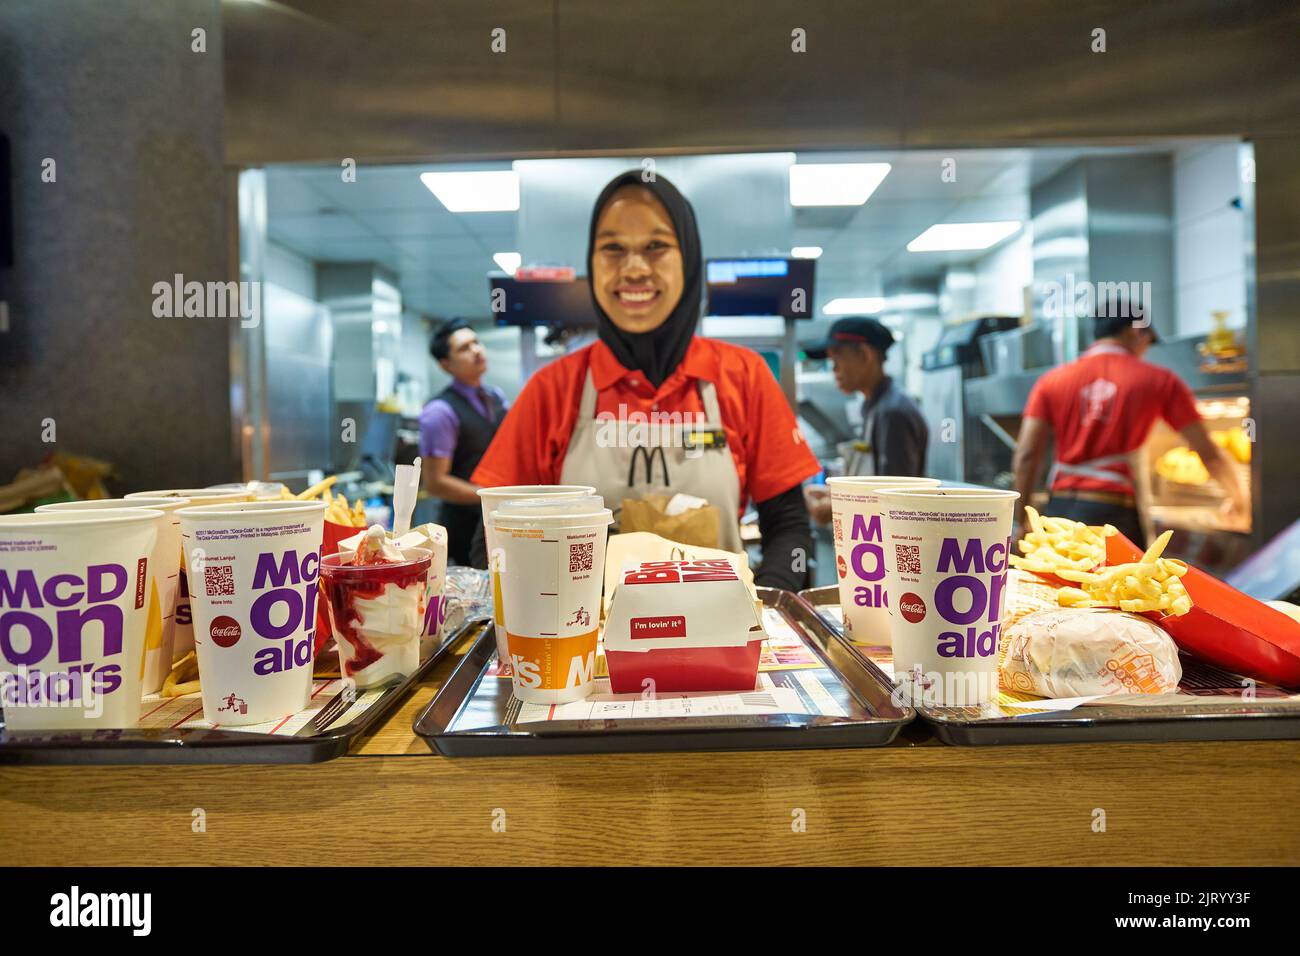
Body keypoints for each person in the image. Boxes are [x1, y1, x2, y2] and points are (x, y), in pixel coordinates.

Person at [470, 171, 819, 590]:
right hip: (585, 648)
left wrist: (762, 610)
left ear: (687, 258)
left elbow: (790, 527)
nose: (634, 269)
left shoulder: (744, 376)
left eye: (656, 247)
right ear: (592, 263)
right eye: (613, 248)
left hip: (717, 642)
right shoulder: (552, 389)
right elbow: (492, 539)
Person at [1012, 303, 1246, 543]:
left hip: (1059, 510)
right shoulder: (1159, 380)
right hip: (1114, 513)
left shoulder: (1051, 381)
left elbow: (1026, 456)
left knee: (1059, 579)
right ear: (1136, 331)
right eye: (1149, 340)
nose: (1146, 349)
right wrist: (1240, 501)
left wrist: (1021, 520)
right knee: (1120, 581)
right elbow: (1209, 453)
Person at [803, 316, 929, 526]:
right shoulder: (875, 407)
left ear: (864, 354)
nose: (833, 370)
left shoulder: (893, 412)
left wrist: (837, 506)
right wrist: (835, 495)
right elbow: (876, 487)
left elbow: (897, 500)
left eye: (836, 360)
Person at [418, 318, 508, 565]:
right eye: (464, 348)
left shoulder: (495, 398)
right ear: (445, 365)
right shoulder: (440, 411)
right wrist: (494, 497)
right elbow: (435, 483)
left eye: (476, 342)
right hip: (465, 531)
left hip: (499, 523)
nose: (476, 351)